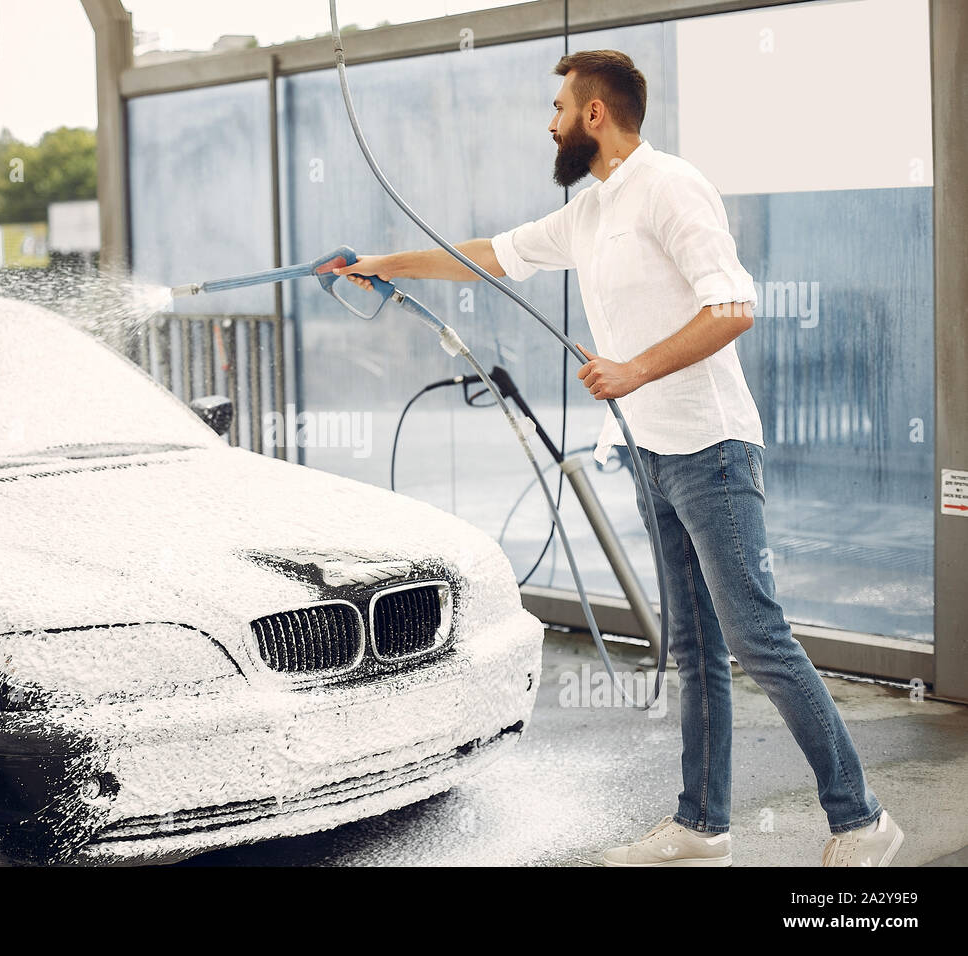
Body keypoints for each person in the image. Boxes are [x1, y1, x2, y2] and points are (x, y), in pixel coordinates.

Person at [333, 49, 903, 868]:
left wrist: (633, 368)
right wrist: (381, 265)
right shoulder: (593, 211)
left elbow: (733, 305)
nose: (551, 120)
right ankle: (702, 827)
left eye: (560, 106)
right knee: (697, 651)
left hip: (711, 451)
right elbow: (490, 253)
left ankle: (861, 820)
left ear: (594, 114)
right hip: (651, 456)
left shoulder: (671, 185)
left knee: (757, 638)